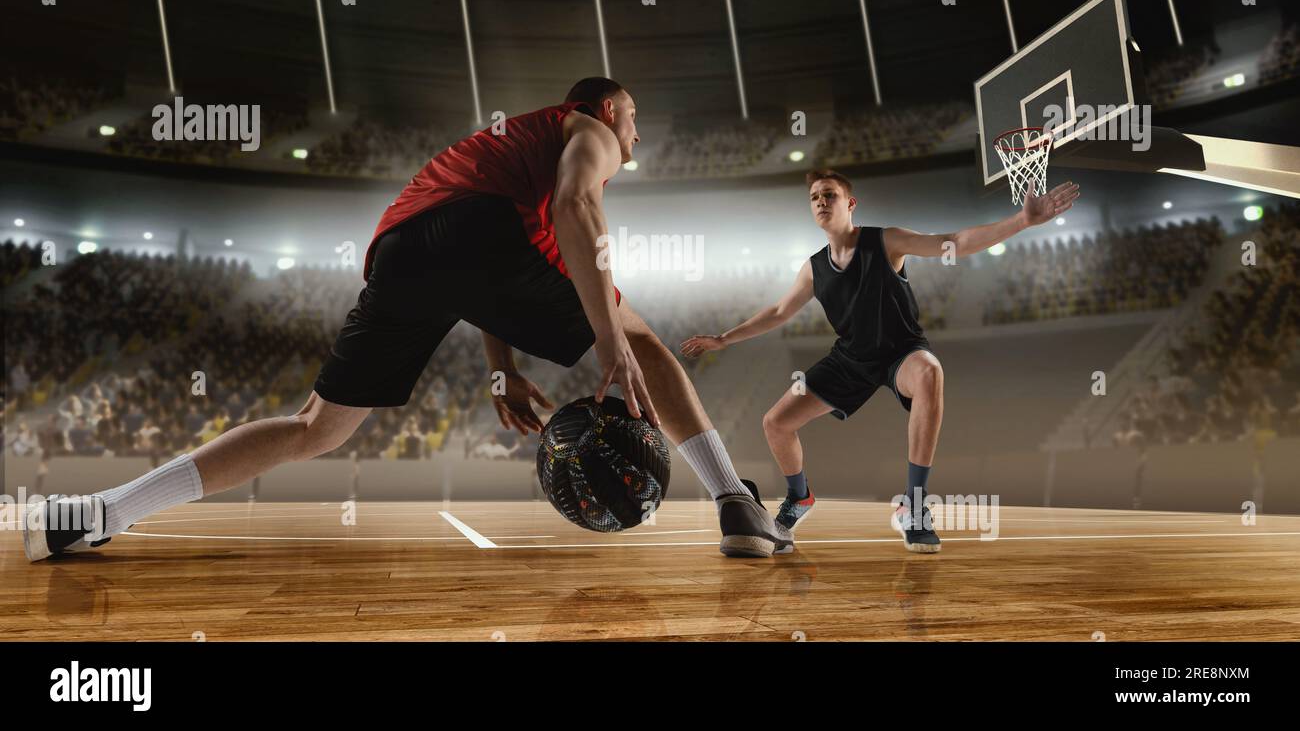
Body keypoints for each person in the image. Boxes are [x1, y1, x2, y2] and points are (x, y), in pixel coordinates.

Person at [25, 77, 789, 562]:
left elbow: (477, 267)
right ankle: (736, 503)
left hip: (404, 248)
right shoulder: (586, 128)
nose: (637, 138)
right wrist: (613, 340)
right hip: (472, 234)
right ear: (611, 108)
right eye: (635, 122)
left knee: (314, 427)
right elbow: (574, 202)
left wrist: (502, 367)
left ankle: (99, 511)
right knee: (646, 340)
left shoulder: (508, 155)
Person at [682, 168, 1079, 553]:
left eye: (830, 195)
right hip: (850, 358)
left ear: (850, 203)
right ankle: (799, 497)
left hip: (900, 350)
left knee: (929, 372)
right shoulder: (813, 268)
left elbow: (953, 241)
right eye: (815, 197)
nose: (821, 202)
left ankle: (914, 504)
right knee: (776, 423)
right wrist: (723, 339)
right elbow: (779, 311)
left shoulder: (886, 241)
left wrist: (1022, 221)